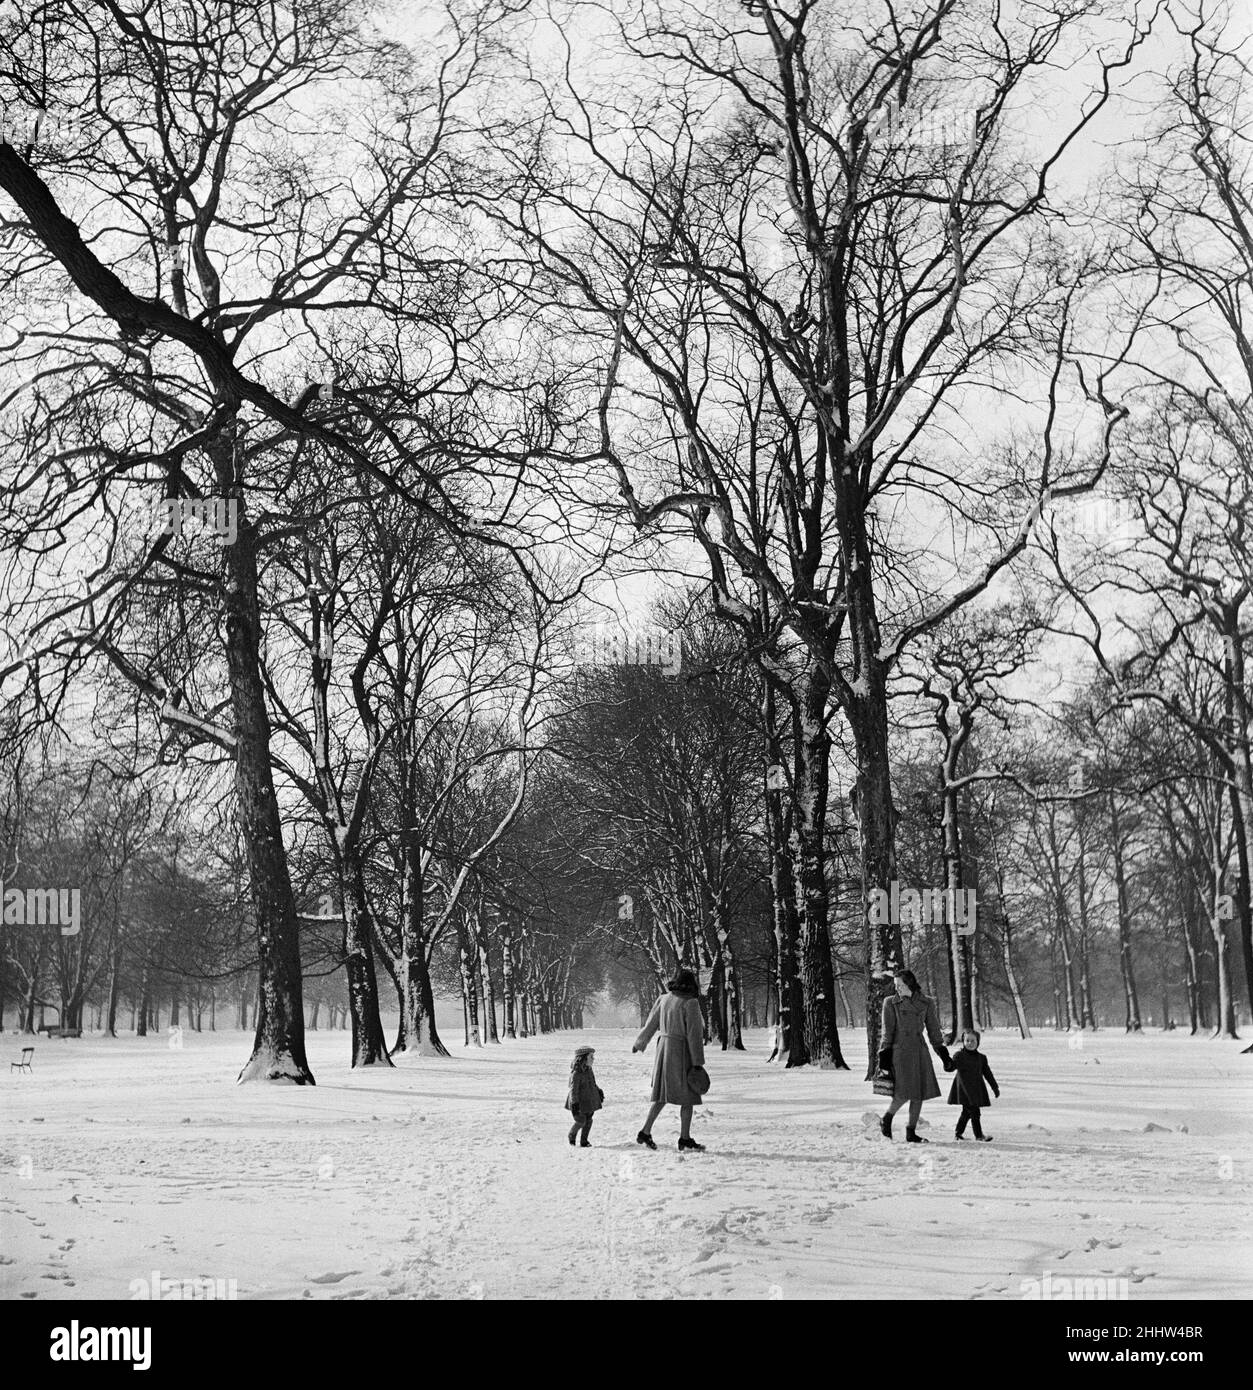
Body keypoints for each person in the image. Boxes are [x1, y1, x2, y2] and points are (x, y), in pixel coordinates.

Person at [632, 969, 707, 1152]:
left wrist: (639, 1043)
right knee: (688, 1096)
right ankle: (685, 1138)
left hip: (664, 1050)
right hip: (682, 1053)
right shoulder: (691, 1003)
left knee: (662, 1094)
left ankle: (645, 1131)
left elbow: (651, 1023)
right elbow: (694, 1035)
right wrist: (697, 1063)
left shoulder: (664, 999)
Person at [877, 969, 951, 1143]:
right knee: (903, 1092)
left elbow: (934, 1031)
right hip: (900, 1052)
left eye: (900, 985)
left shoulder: (926, 1003)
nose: (898, 989)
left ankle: (911, 1132)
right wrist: (884, 1056)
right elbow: (887, 1033)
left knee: (919, 1093)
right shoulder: (890, 1003)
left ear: (909, 983)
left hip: (919, 1051)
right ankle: (887, 1119)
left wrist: (944, 1055)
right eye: (896, 986)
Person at [945, 1028, 999, 1141]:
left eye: (973, 1041)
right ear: (963, 1041)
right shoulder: (959, 1055)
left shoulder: (981, 1058)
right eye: (967, 1040)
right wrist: (948, 1063)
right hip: (964, 1090)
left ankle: (958, 1133)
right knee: (975, 1112)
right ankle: (979, 1136)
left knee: (966, 1113)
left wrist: (994, 1087)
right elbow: (951, 1067)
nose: (970, 1043)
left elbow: (987, 1073)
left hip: (976, 1089)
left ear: (978, 1042)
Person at [565, 1044, 603, 1147]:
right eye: (591, 1057)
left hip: (589, 1100)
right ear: (583, 1058)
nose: (593, 1059)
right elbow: (573, 1090)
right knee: (581, 1121)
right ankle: (572, 1135)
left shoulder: (589, 1070)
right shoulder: (576, 1073)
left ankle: (584, 1141)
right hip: (578, 1101)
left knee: (589, 1120)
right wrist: (574, 1103)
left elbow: (593, 1083)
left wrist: (598, 1091)